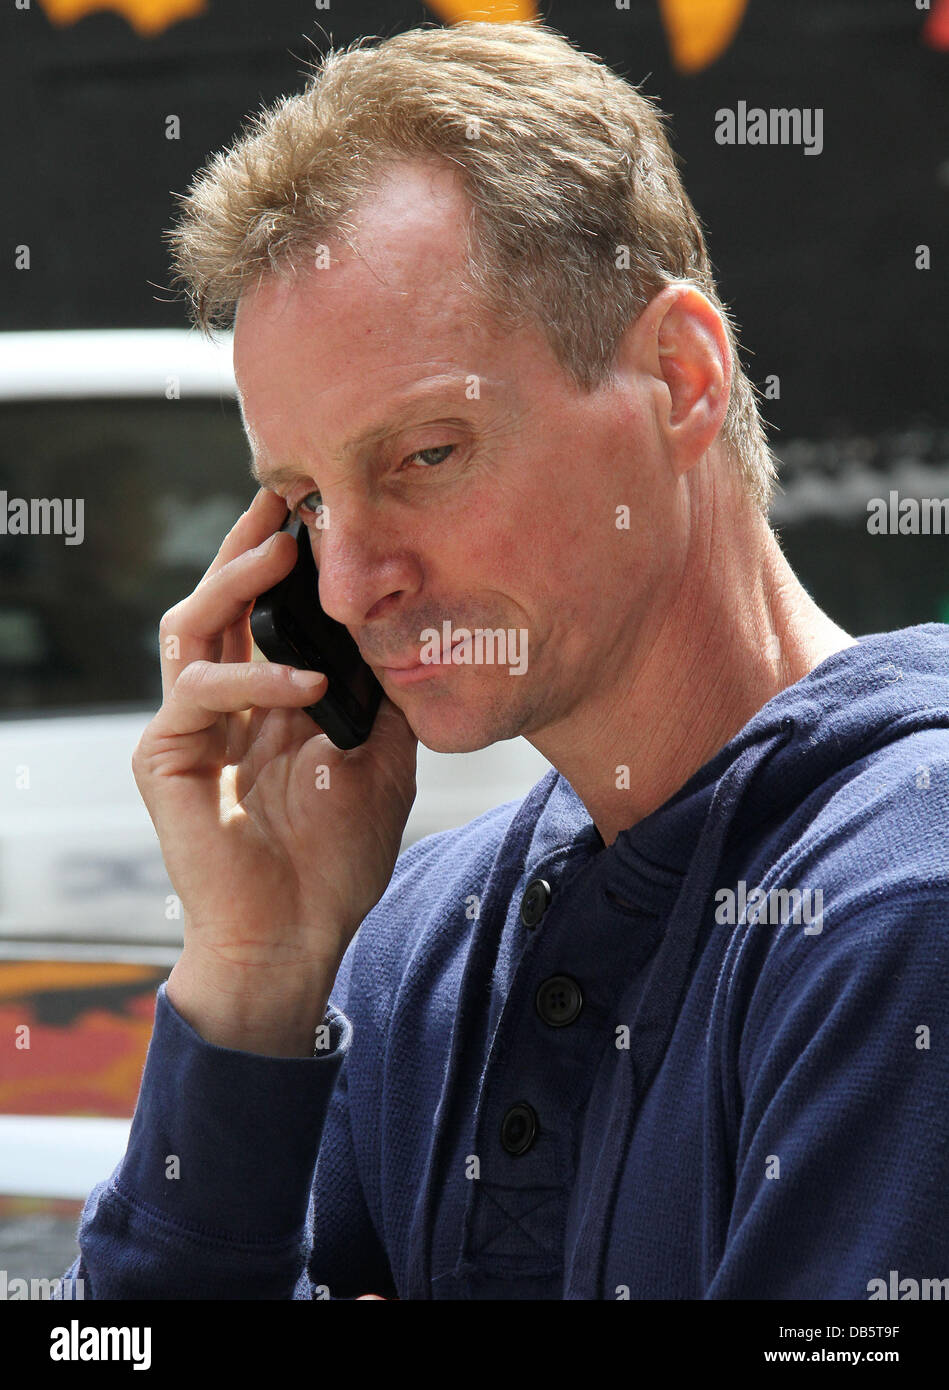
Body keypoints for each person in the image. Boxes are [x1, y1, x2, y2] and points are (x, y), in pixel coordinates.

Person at [56, 20, 949, 1300]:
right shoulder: (410, 941)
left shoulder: (901, 901)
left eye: (424, 455)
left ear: (681, 378)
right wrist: (256, 975)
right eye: (304, 501)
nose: (356, 582)